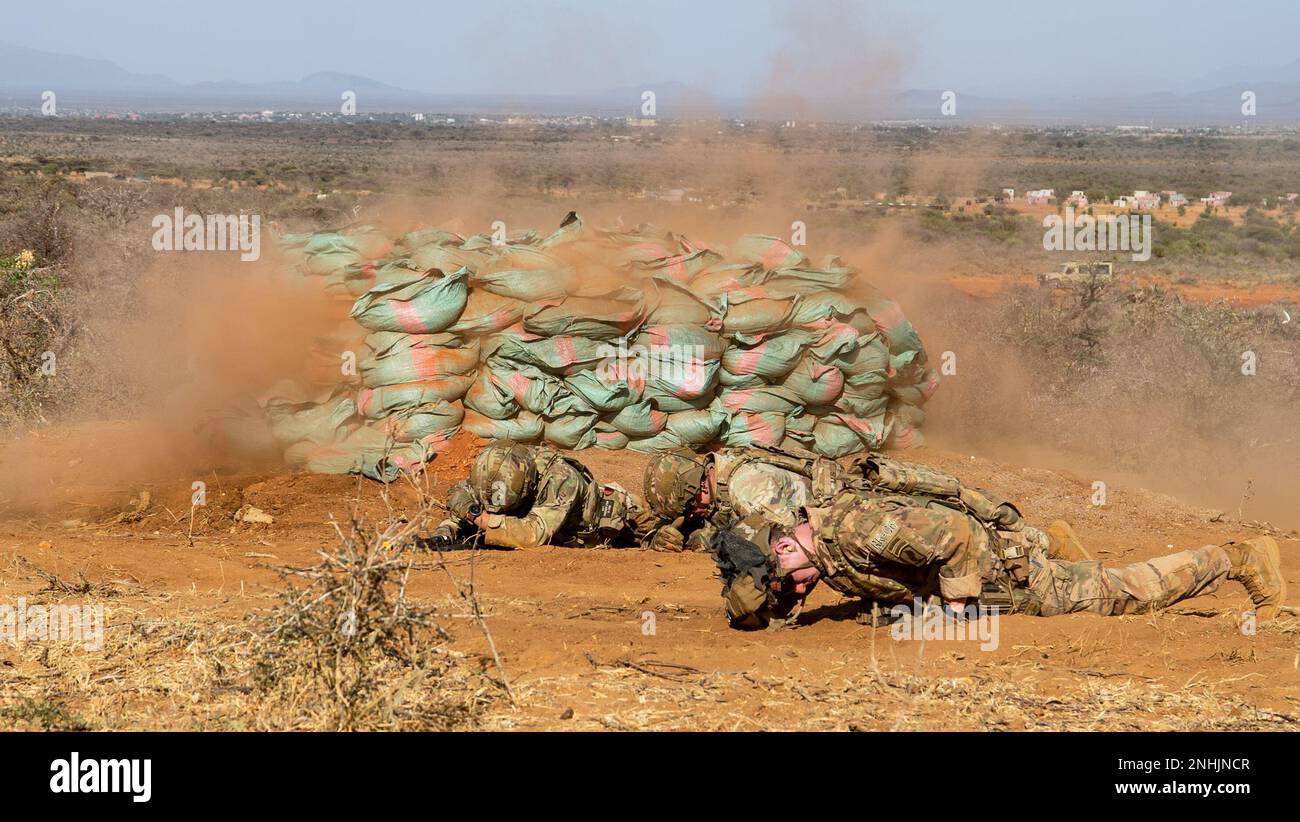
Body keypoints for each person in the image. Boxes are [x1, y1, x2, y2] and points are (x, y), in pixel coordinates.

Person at [710, 492, 1287, 629]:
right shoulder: (829, 549)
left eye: (787, 587)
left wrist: (958, 603)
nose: (797, 595)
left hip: (1008, 578)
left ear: (785, 548)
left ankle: (1238, 558)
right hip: (995, 571)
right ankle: (1050, 542)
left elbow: (955, 532)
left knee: (1126, 594)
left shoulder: (855, 528)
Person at [643, 447, 1092, 563]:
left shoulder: (746, 487)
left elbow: (779, 539)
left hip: (852, 516)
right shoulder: (730, 470)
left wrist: (708, 541)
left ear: (694, 492)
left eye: (691, 508)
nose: (697, 513)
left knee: (948, 541)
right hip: (846, 508)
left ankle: (1045, 543)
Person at [425, 440, 656, 550]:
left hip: (615, 527)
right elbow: (467, 505)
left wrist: (480, 518)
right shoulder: (495, 476)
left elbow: (533, 535)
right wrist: (445, 532)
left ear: (528, 486)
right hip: (555, 530)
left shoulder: (561, 479)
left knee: (657, 536)